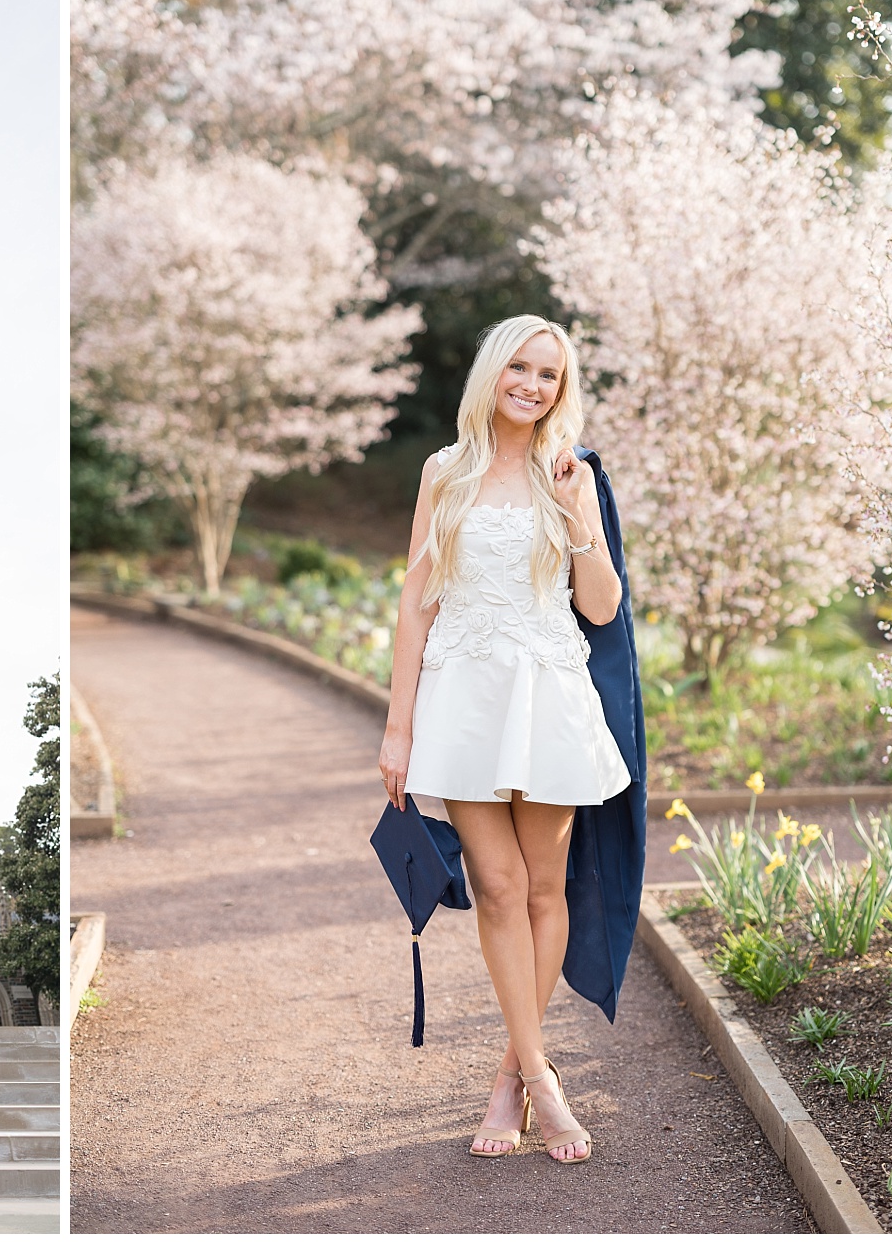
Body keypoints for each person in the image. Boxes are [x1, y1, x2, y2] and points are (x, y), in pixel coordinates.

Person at [375, 315, 631, 1164]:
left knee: (543, 890)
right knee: (494, 883)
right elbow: (418, 603)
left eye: (548, 375)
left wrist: (580, 516)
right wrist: (398, 726)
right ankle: (543, 1081)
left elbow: (599, 608)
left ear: (563, 389)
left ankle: (514, 1079)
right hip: (463, 695)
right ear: (492, 372)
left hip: (547, 691)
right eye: (518, 367)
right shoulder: (443, 472)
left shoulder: (573, 472)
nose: (531, 384)